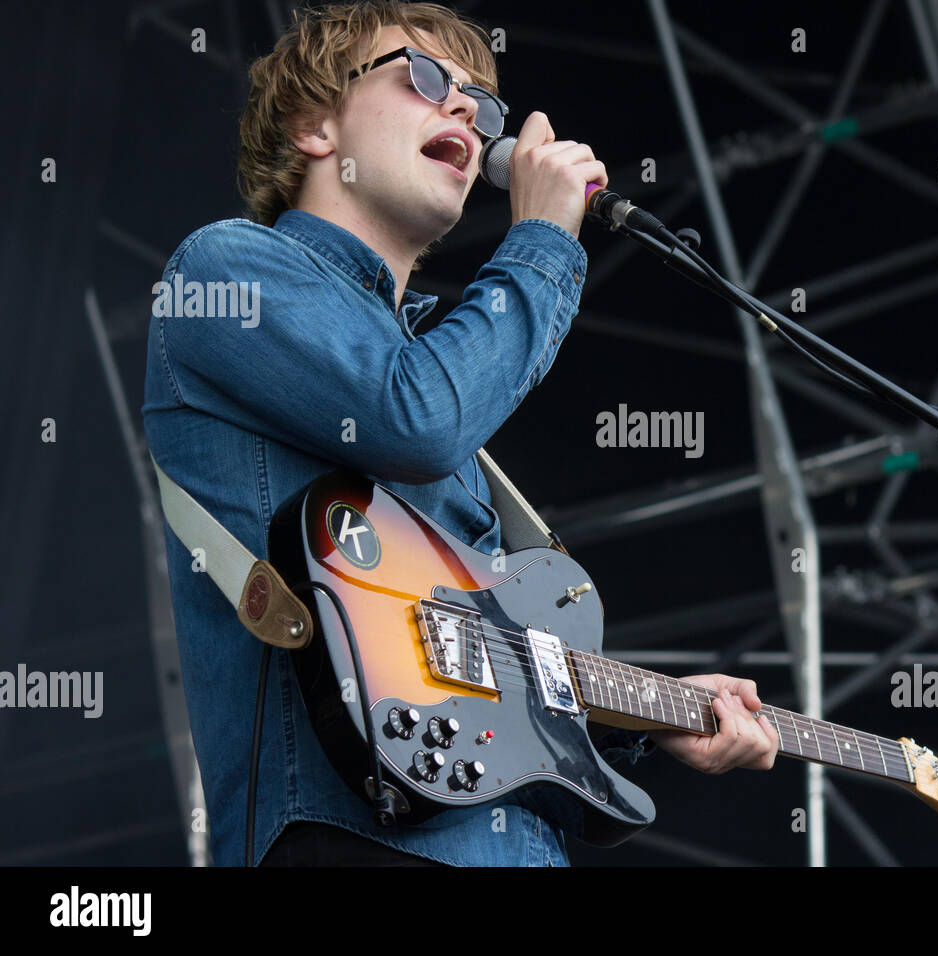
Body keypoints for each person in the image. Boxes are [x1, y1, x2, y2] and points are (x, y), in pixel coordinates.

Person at [141, 0, 777, 867]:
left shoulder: (435, 363)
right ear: (313, 127)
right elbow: (415, 418)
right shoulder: (225, 270)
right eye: (427, 78)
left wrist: (649, 710)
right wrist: (546, 240)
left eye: (483, 106)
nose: (467, 116)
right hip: (352, 835)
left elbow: (465, 661)